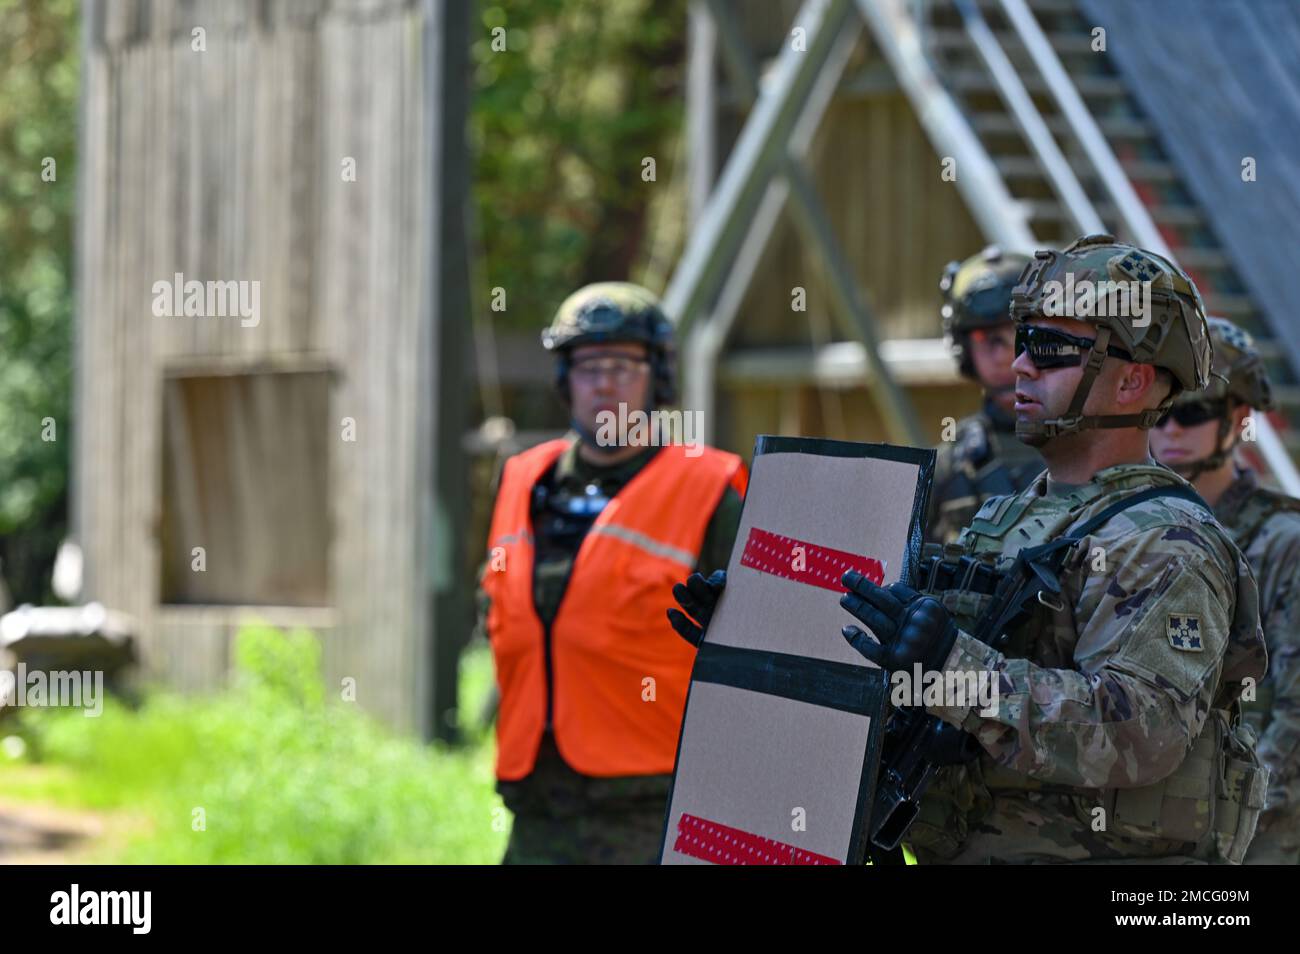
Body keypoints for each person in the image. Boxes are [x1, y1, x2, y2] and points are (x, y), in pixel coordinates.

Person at [671, 234, 1268, 864]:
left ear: (1132, 383)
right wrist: (763, 631)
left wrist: (953, 667)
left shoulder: (1165, 539)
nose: (1021, 366)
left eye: (1051, 349)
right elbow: (901, 678)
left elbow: (1141, 731)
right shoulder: (1009, 519)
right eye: (1021, 343)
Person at [479, 281, 747, 864]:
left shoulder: (709, 487)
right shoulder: (522, 479)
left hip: (650, 806)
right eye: (587, 366)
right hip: (537, 804)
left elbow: (755, 650)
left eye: (624, 366)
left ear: (658, 379)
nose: (604, 383)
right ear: (564, 380)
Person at [1150, 316, 1299, 864]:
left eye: (1191, 412)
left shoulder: (1283, 544)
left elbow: (1294, 716)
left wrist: (1236, 813)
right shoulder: (1135, 533)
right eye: (1161, 409)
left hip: (1254, 836)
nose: (1169, 429)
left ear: (1238, 420)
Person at [928, 248, 1044, 544]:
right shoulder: (948, 464)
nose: (1005, 355)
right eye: (987, 340)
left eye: (1018, 334)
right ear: (963, 349)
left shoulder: (1092, 450)